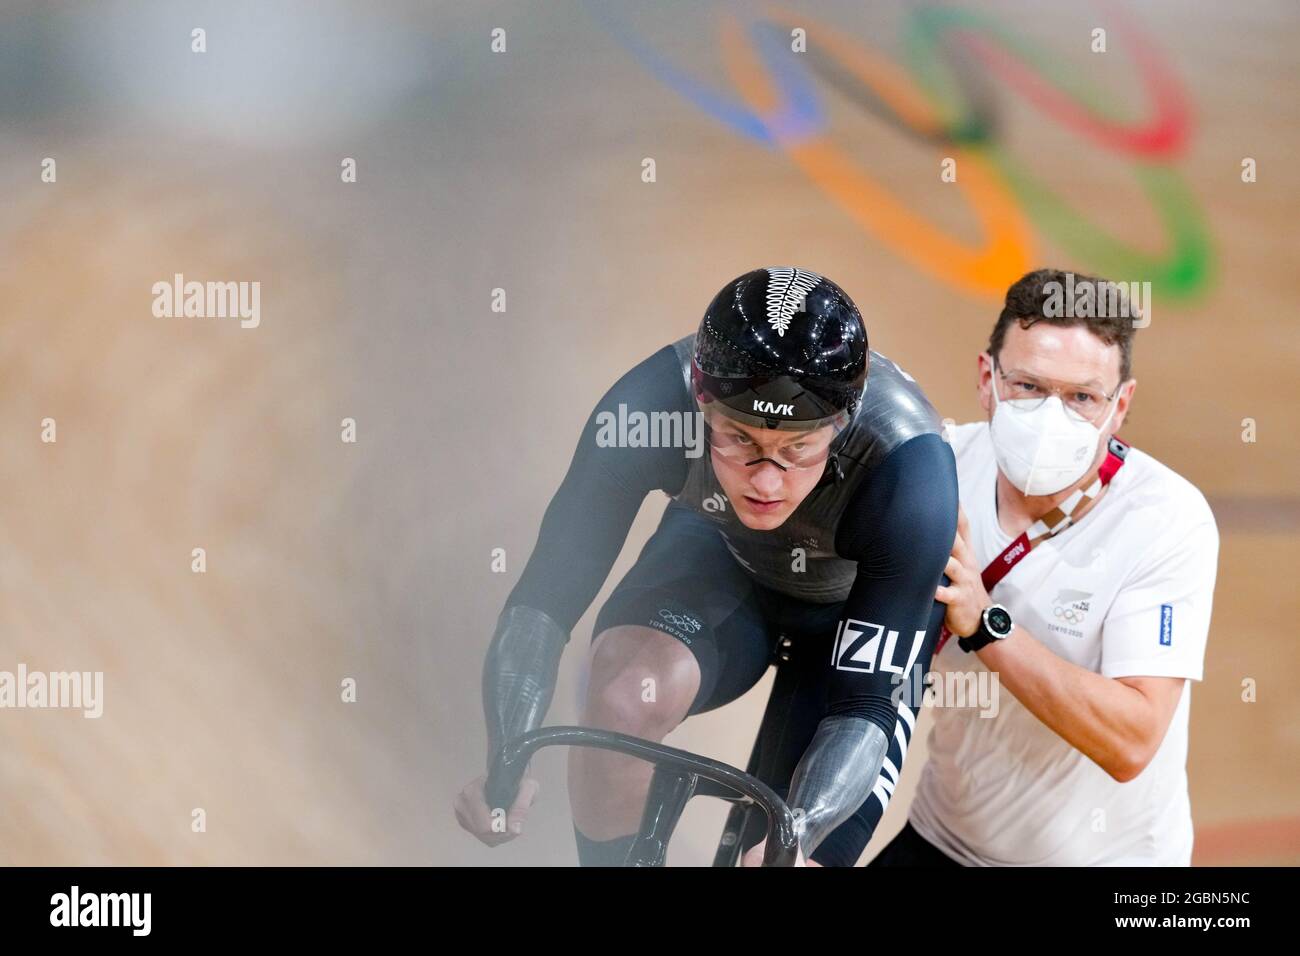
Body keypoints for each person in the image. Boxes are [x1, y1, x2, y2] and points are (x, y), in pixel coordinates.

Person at [454, 266, 957, 866]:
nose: (767, 480)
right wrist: (503, 768)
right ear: (698, 399)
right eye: (739, 439)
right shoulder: (644, 411)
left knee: (790, 857)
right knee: (620, 703)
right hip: (723, 555)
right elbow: (545, 600)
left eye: (797, 449)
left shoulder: (911, 471)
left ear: (843, 424)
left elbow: (865, 705)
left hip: (858, 609)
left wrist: (799, 835)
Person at [862, 268, 1219, 866]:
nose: (1052, 415)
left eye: (1082, 396)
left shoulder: (1166, 519)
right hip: (945, 839)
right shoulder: (939, 469)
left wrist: (985, 625)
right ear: (987, 379)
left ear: (1120, 405)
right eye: (1028, 385)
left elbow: (1132, 741)